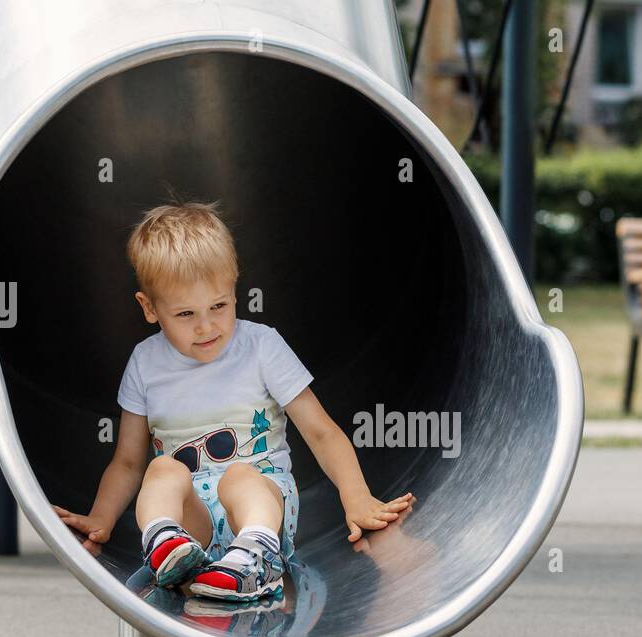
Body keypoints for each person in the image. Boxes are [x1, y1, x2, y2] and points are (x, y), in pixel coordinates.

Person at [53, 200, 413, 601]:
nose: (207, 326)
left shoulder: (261, 346)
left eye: (219, 306)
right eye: (186, 314)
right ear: (150, 308)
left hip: (259, 504)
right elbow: (128, 461)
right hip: (194, 522)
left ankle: (255, 556)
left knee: (239, 477)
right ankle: (168, 547)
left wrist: (356, 497)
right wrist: (101, 518)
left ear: (235, 286)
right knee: (161, 471)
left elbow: (321, 431)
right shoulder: (145, 362)